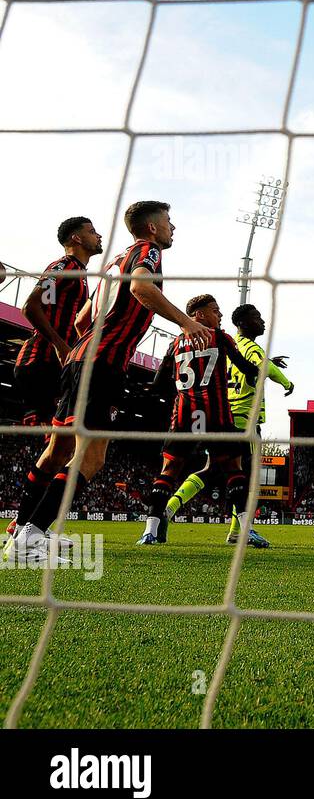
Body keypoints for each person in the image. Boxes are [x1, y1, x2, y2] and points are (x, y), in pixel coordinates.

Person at [6, 201, 212, 565]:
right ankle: (33, 535)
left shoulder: (112, 263)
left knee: (59, 449)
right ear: (151, 228)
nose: (172, 228)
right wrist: (185, 321)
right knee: (93, 454)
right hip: (101, 364)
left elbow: (84, 319)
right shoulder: (146, 252)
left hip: (80, 359)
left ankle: (24, 531)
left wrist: (86, 346)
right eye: (168, 221)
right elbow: (141, 289)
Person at [163, 302, 294, 544]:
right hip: (245, 417)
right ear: (244, 323)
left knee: (212, 468)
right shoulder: (250, 347)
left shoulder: (227, 344)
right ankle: (239, 531)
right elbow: (261, 366)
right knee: (249, 474)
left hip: (224, 413)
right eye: (257, 317)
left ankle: (169, 507)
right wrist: (287, 383)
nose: (262, 321)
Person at [7, 217, 102, 544]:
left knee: (57, 449)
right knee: (60, 449)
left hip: (51, 365)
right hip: (41, 364)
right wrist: (62, 346)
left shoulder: (80, 273)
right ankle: (27, 530)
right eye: (92, 231)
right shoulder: (64, 266)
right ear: (76, 237)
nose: (98, 235)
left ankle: (26, 528)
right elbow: (30, 306)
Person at [138, 295, 260, 546]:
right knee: (234, 469)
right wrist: (255, 373)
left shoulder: (175, 344)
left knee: (168, 471)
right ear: (199, 315)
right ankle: (245, 531)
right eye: (216, 311)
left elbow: (158, 385)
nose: (220, 316)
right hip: (217, 415)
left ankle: (149, 531)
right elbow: (247, 368)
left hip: (183, 415)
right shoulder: (219, 337)